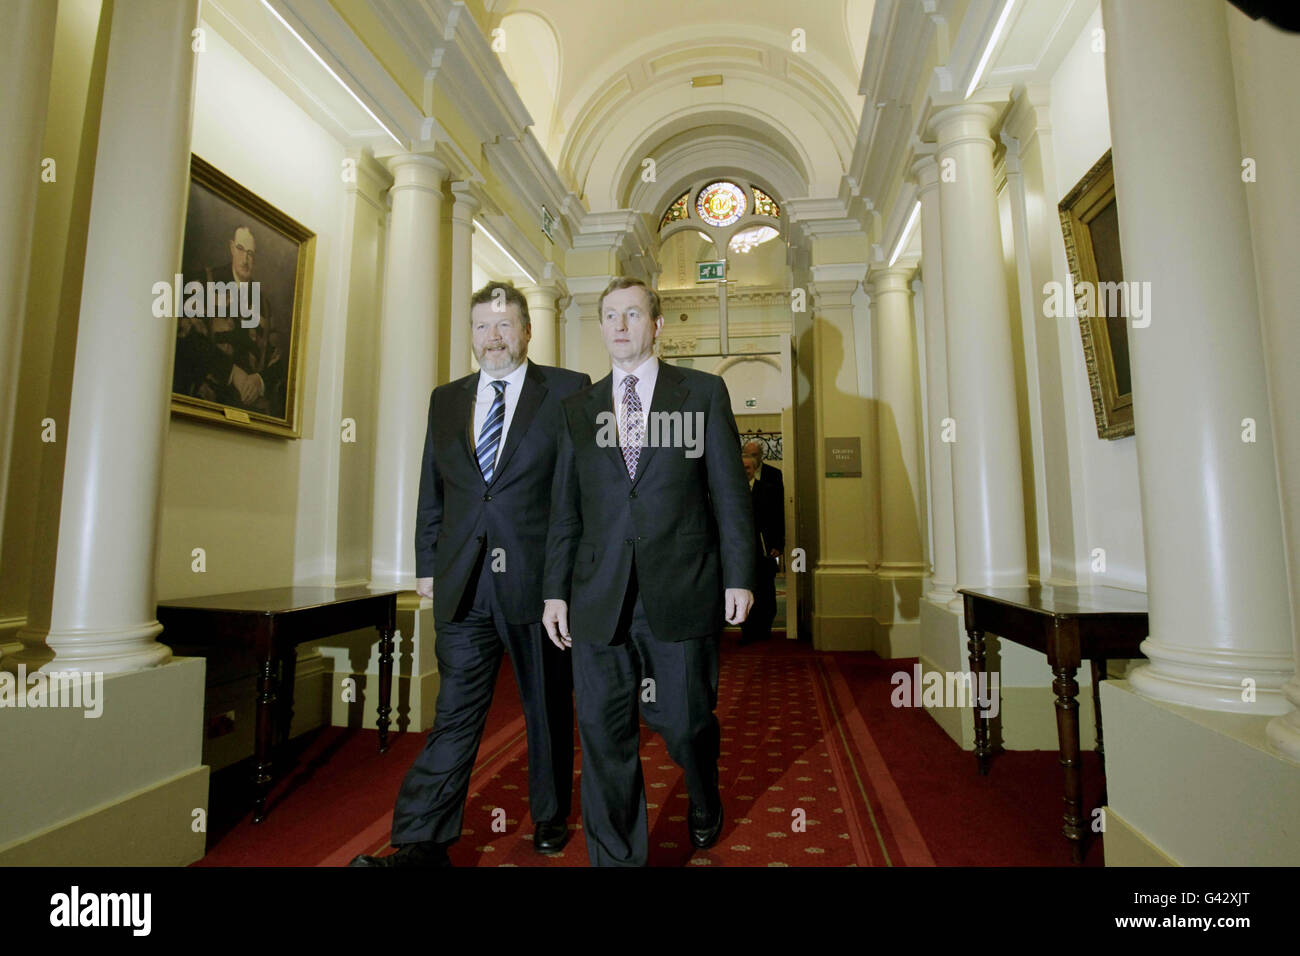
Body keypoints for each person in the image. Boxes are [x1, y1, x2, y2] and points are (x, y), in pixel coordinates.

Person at [351, 281, 590, 867]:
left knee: (546, 707)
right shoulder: (446, 398)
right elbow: (433, 488)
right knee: (454, 715)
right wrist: (427, 566)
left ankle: (551, 814)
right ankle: (421, 843)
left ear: (527, 331)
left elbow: (574, 499)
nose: (493, 337)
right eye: (482, 326)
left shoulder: (566, 391)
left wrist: (564, 585)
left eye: (505, 325)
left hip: (537, 587)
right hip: (462, 583)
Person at [542, 277, 756, 867]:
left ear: (656, 324)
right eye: (609, 315)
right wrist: (553, 593)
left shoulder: (703, 393)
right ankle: (618, 860)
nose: (619, 325)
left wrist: (740, 575)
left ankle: (703, 792)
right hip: (597, 595)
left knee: (685, 722)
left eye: (632, 314)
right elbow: (565, 510)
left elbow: (729, 492)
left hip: (681, 587)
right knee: (605, 735)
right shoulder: (577, 410)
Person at [739, 451, 783, 645]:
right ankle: (746, 631)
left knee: (766, 592)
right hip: (741, 552)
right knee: (743, 590)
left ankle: (764, 630)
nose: (744, 471)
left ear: (754, 469)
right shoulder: (731, 492)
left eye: (747, 467)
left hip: (764, 550)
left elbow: (777, 519)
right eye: (741, 467)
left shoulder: (768, 489)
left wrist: (778, 545)